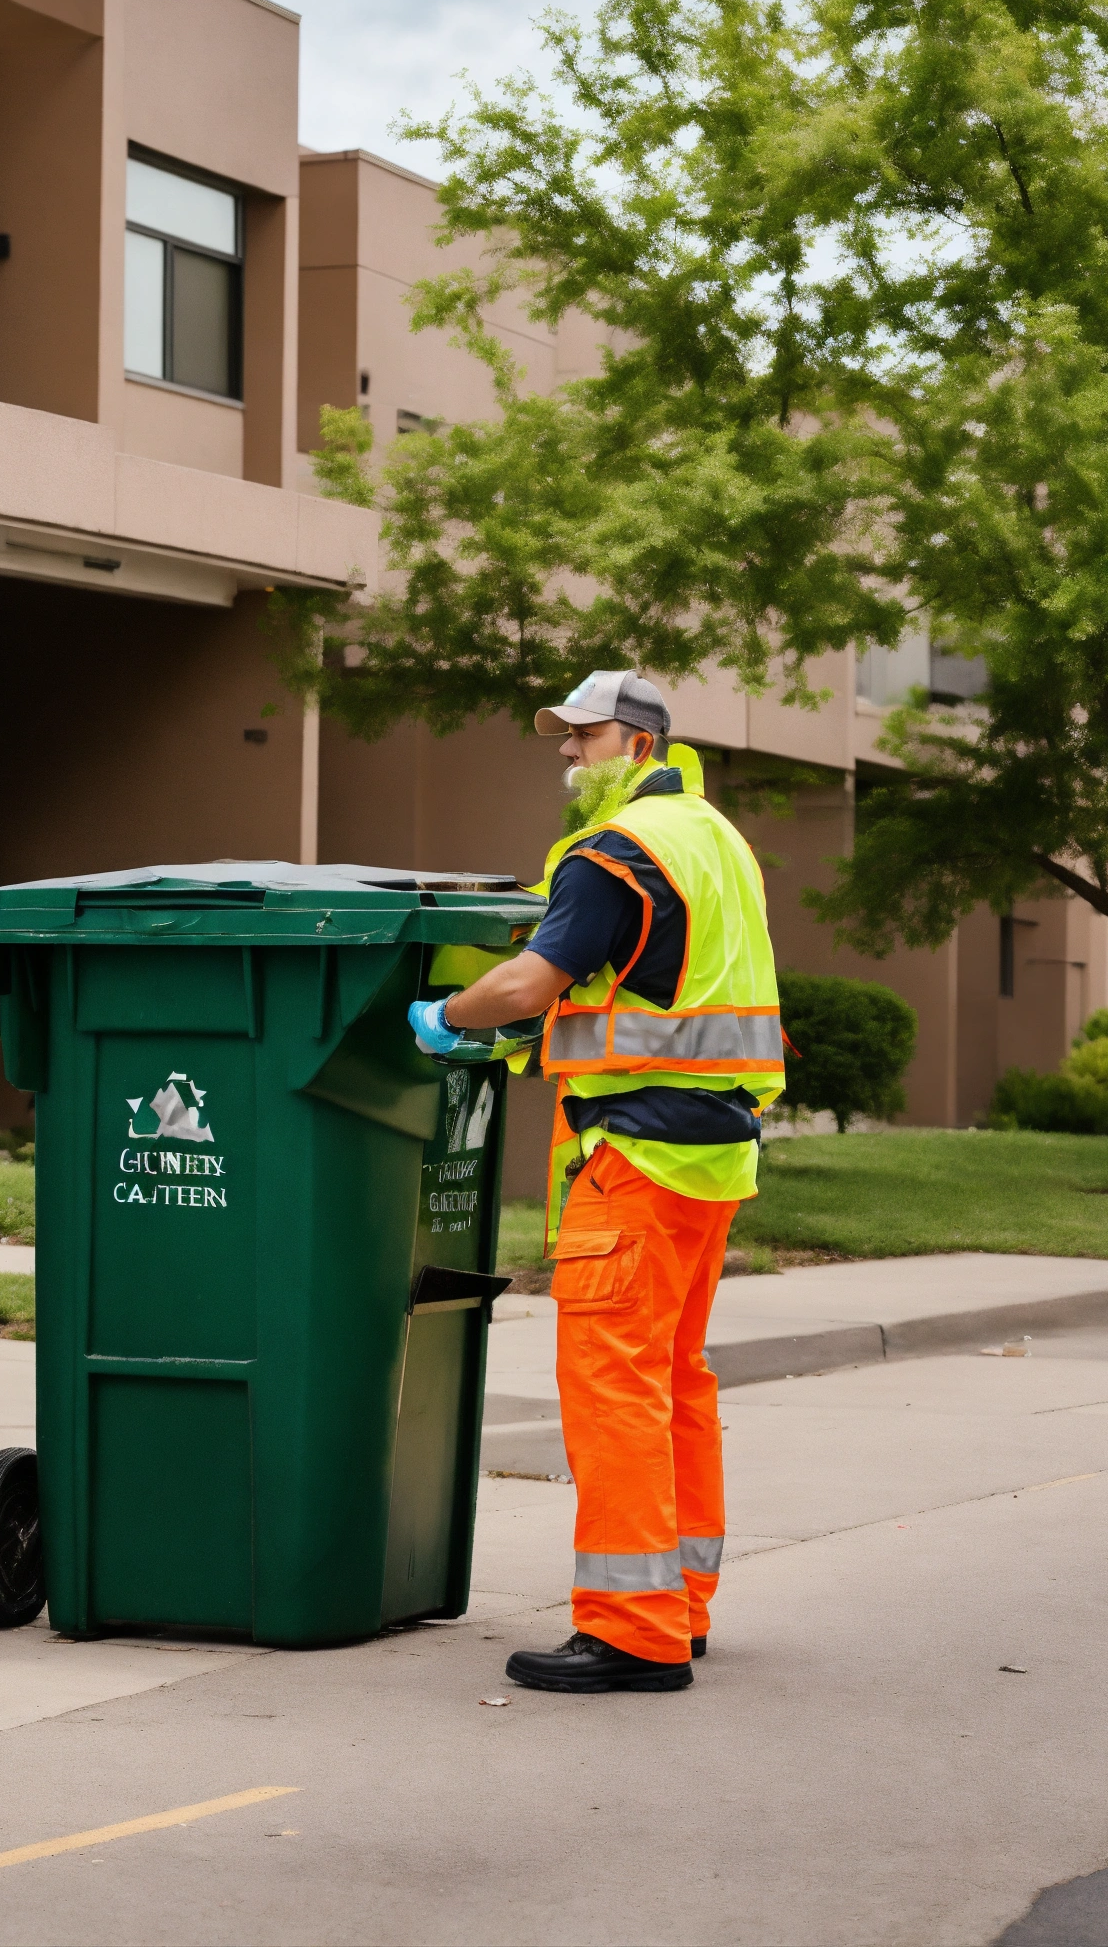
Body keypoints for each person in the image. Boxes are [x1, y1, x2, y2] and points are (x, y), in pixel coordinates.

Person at [408, 670, 784, 1692]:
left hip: (629, 1153)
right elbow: (655, 983)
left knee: (612, 1382)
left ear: (634, 738)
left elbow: (532, 975)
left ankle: (628, 1628)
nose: (566, 755)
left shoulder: (612, 850)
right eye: (564, 738)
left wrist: (448, 1016)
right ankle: (680, 1604)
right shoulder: (714, 837)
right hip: (712, 1154)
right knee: (673, 1380)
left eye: (581, 737)